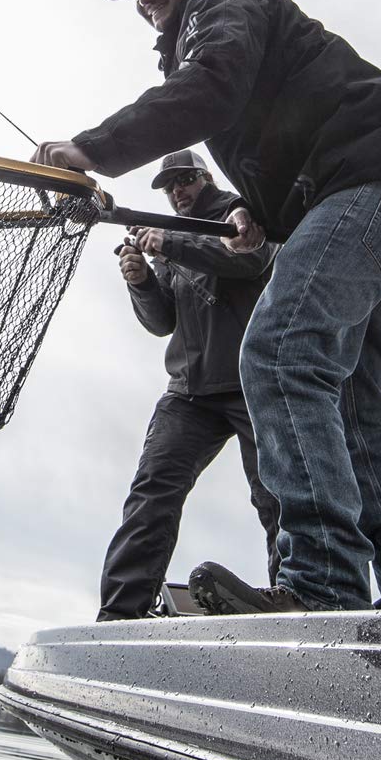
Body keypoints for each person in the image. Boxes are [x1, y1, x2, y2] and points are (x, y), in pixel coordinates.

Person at [35, 0, 381, 615]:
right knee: (351, 404)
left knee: (277, 353)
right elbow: (278, 135)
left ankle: (323, 587)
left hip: (375, 183)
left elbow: (209, 87)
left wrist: (90, 148)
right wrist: (255, 213)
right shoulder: (225, 22)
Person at [99, 149, 280, 622]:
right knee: (151, 494)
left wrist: (169, 246)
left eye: (185, 180)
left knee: (275, 497)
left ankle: (292, 600)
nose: (177, 191)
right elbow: (162, 322)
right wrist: (140, 281)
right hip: (188, 392)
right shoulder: (169, 235)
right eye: (169, 185)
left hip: (251, 384)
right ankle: (120, 616)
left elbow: (251, 262)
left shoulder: (240, 212)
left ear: (205, 177)